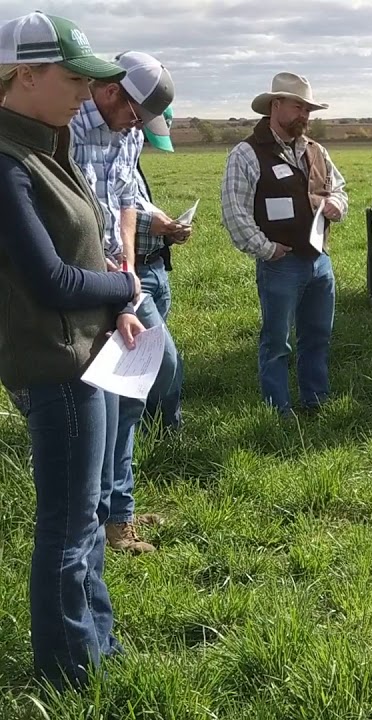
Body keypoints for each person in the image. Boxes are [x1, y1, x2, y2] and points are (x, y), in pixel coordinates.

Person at [0, 11, 143, 689]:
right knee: (66, 526)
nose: (85, 94)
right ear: (26, 75)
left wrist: (115, 309)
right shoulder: (8, 162)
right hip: (56, 366)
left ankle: (99, 648)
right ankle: (68, 673)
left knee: (84, 519)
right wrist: (120, 285)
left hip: (88, 352)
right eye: (73, 79)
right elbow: (48, 278)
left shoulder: (42, 145)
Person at [70, 49, 179, 554]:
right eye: (135, 113)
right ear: (111, 91)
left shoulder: (128, 130)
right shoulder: (67, 126)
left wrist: (130, 272)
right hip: (82, 286)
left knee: (139, 386)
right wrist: (110, 287)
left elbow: (125, 203)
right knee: (104, 405)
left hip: (121, 280)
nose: (137, 125)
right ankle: (99, 525)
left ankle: (119, 513)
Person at [220, 72, 347, 416]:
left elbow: (339, 189)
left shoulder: (317, 151)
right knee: (277, 342)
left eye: (308, 109)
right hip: (281, 264)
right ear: (276, 106)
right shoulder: (246, 154)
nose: (304, 116)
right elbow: (235, 212)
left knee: (318, 336)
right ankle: (278, 411)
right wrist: (267, 249)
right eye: (298, 107)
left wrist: (337, 204)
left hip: (320, 261)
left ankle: (316, 402)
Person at [131, 101, 189, 430]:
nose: (140, 138)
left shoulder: (131, 162)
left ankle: (148, 430)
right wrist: (149, 223)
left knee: (148, 359)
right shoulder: (100, 153)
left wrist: (170, 232)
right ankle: (168, 431)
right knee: (167, 360)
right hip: (133, 275)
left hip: (155, 269)